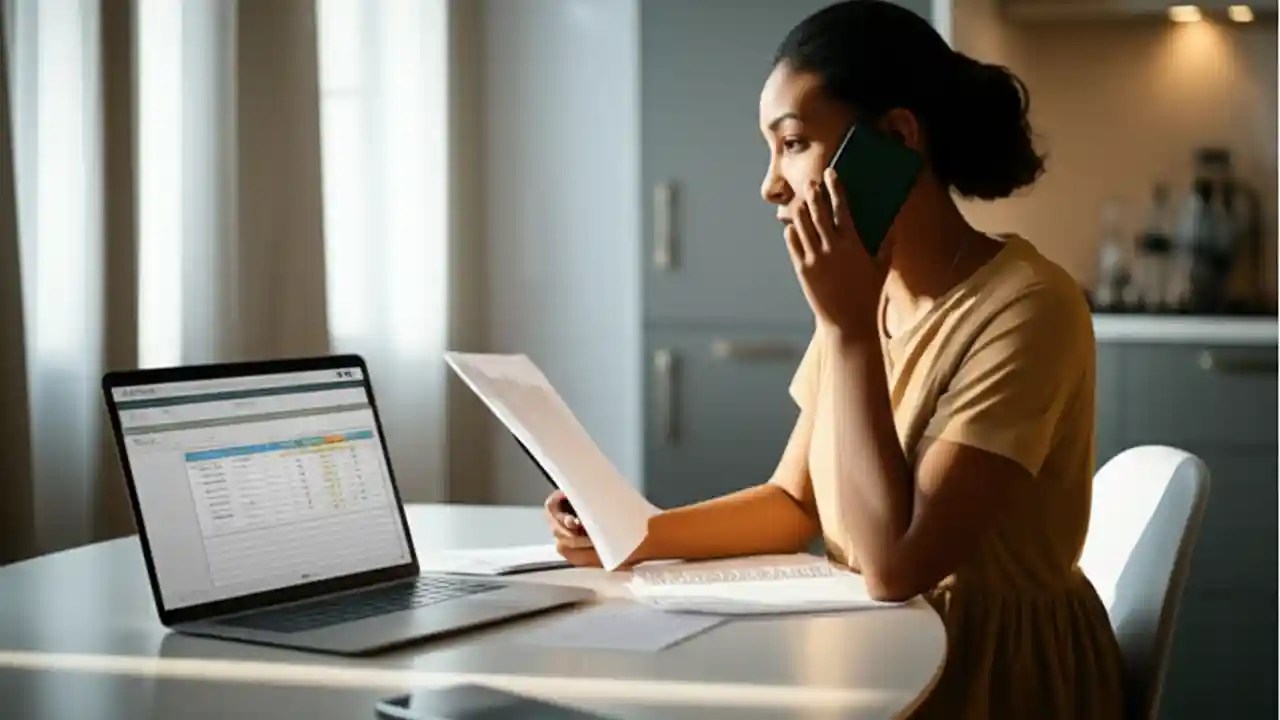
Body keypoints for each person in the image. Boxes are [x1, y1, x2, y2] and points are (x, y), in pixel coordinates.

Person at [544, 1, 1125, 717]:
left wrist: (848, 329)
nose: (770, 184)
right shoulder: (866, 299)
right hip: (880, 649)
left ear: (895, 138)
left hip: (990, 679)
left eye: (792, 144)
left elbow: (894, 565)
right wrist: (628, 537)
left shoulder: (1028, 307)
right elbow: (793, 503)